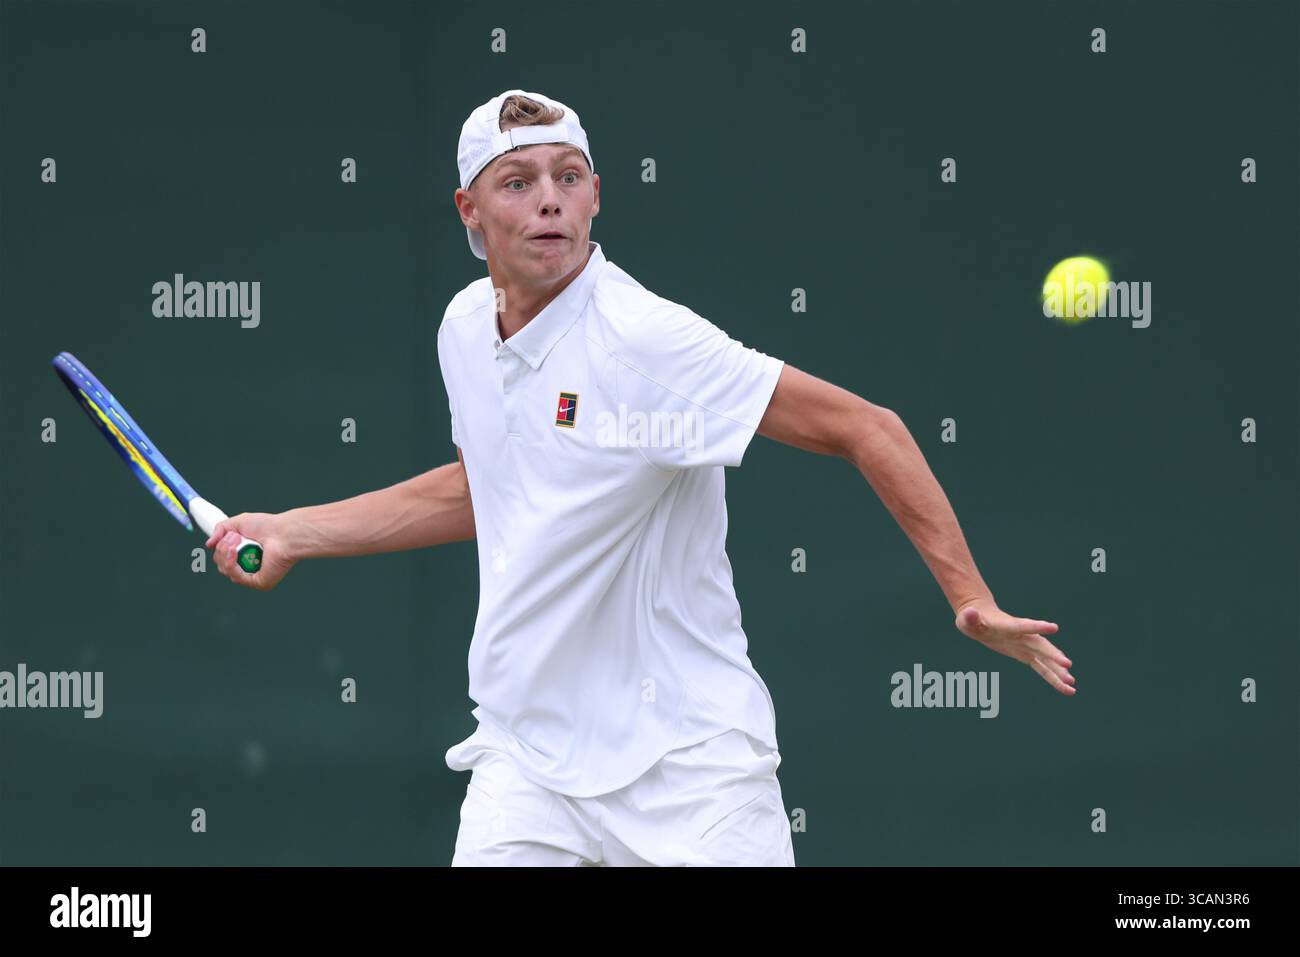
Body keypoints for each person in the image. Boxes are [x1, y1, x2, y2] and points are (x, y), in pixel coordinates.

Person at [206, 88, 1076, 867]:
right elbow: (494, 488)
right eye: (518, 182)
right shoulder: (465, 328)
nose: (549, 198)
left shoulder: (647, 341)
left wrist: (968, 592)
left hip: (691, 769)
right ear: (470, 212)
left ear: (596, 196)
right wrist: (294, 529)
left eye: (569, 176)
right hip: (529, 759)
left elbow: (866, 427)